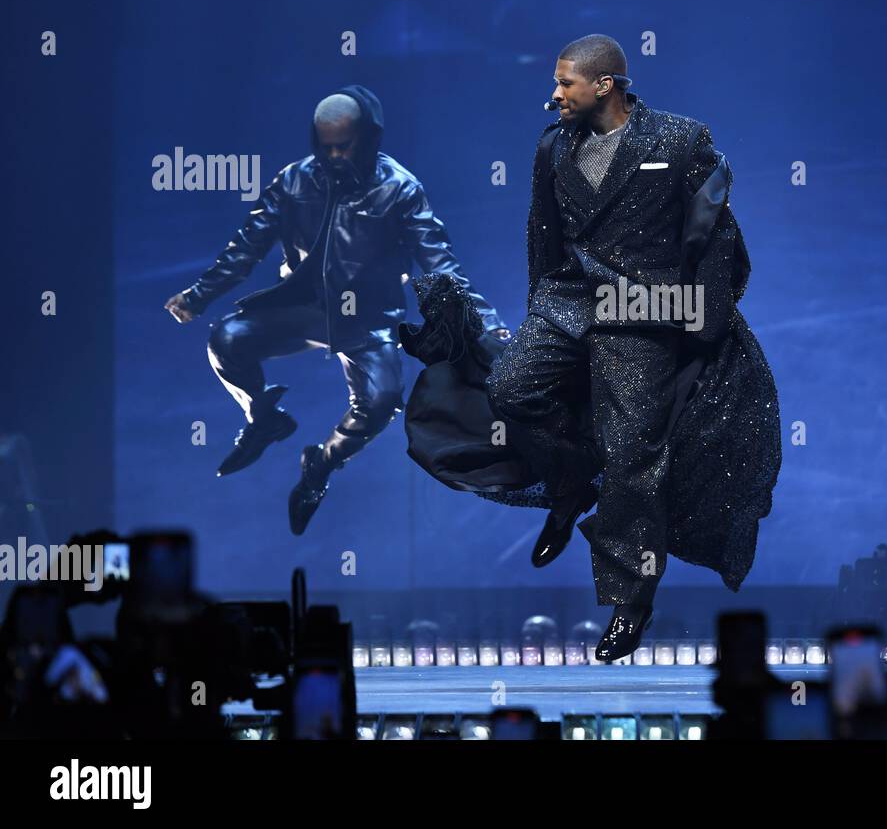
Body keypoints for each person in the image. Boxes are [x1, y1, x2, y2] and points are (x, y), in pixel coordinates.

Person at [401, 34, 781, 662]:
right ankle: (572, 481)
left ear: (605, 84)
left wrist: (704, 318)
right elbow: (542, 236)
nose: (553, 96)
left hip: (643, 310)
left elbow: (717, 235)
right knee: (512, 391)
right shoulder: (552, 147)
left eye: (564, 84)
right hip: (569, 299)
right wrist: (540, 311)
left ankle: (631, 603)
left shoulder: (680, 140)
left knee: (633, 453)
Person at [164, 86, 507, 534]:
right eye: (326, 146)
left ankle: (319, 468)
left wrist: (489, 327)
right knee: (226, 340)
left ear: (368, 138)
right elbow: (246, 247)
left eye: (344, 145)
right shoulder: (292, 181)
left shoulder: (400, 189)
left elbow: (441, 267)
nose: (335, 155)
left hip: (368, 318)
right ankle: (263, 422)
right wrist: (198, 296)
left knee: (381, 403)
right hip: (303, 306)